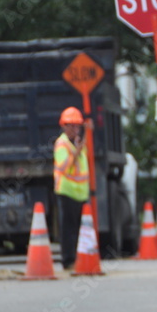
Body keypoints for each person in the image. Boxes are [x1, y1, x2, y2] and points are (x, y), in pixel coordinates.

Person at [53, 107, 89, 270]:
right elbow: (64, 167)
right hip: (67, 192)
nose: (76, 129)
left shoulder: (76, 142)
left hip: (80, 193)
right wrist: (77, 151)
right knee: (68, 230)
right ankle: (68, 261)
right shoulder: (62, 144)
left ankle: (79, 259)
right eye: (72, 126)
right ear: (64, 126)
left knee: (79, 229)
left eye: (77, 126)